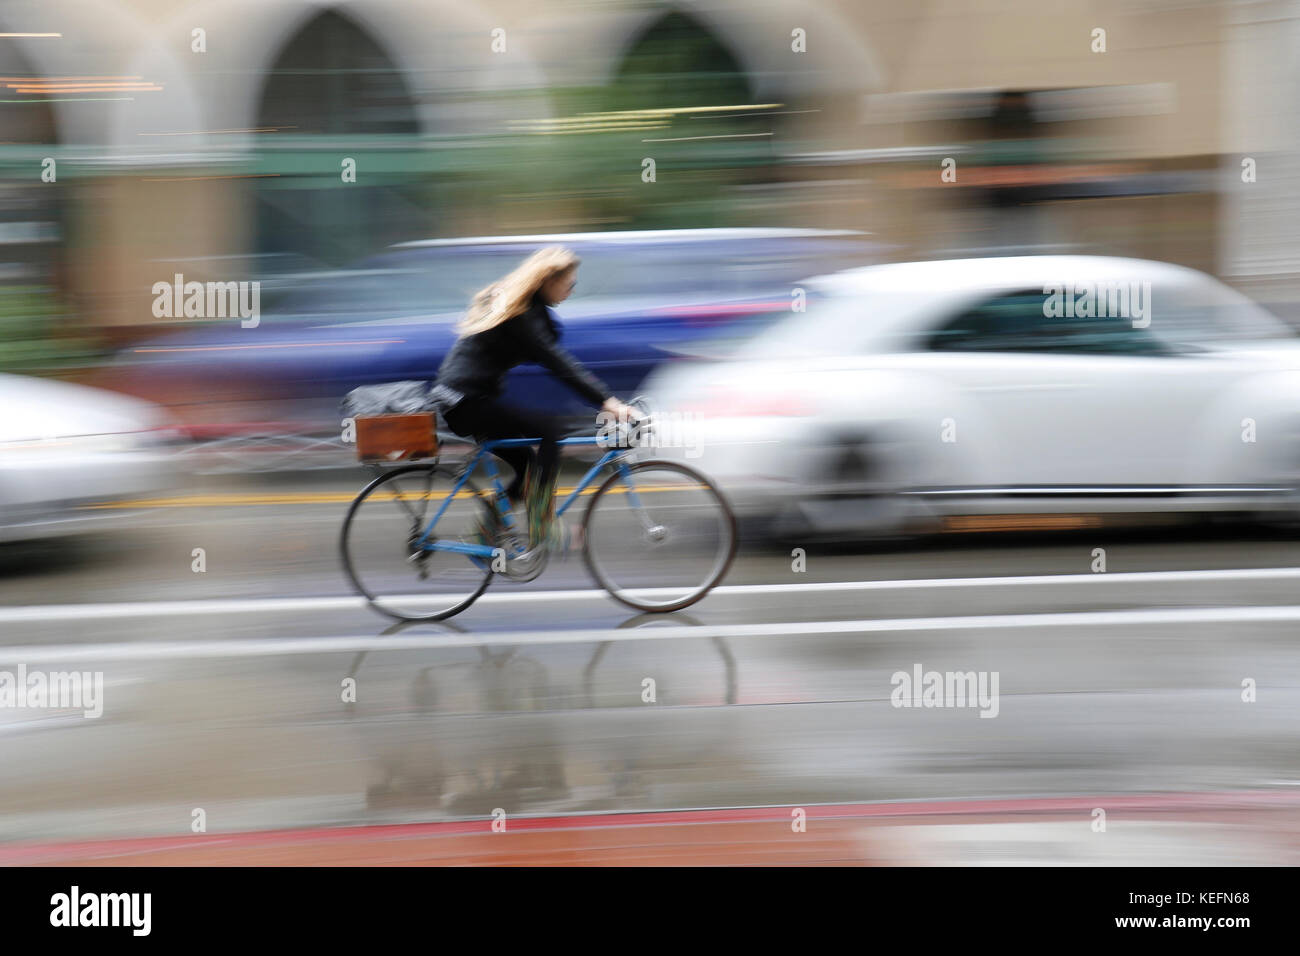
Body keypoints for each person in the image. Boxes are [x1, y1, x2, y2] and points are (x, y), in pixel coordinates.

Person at [430, 246, 637, 553]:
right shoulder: (523, 313)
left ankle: (484, 532)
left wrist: (596, 397)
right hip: (465, 400)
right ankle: (542, 524)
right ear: (548, 280)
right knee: (550, 431)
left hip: (463, 399)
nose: (572, 289)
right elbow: (556, 361)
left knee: (528, 464)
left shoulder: (526, 310)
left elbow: (552, 354)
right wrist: (607, 401)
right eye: (569, 282)